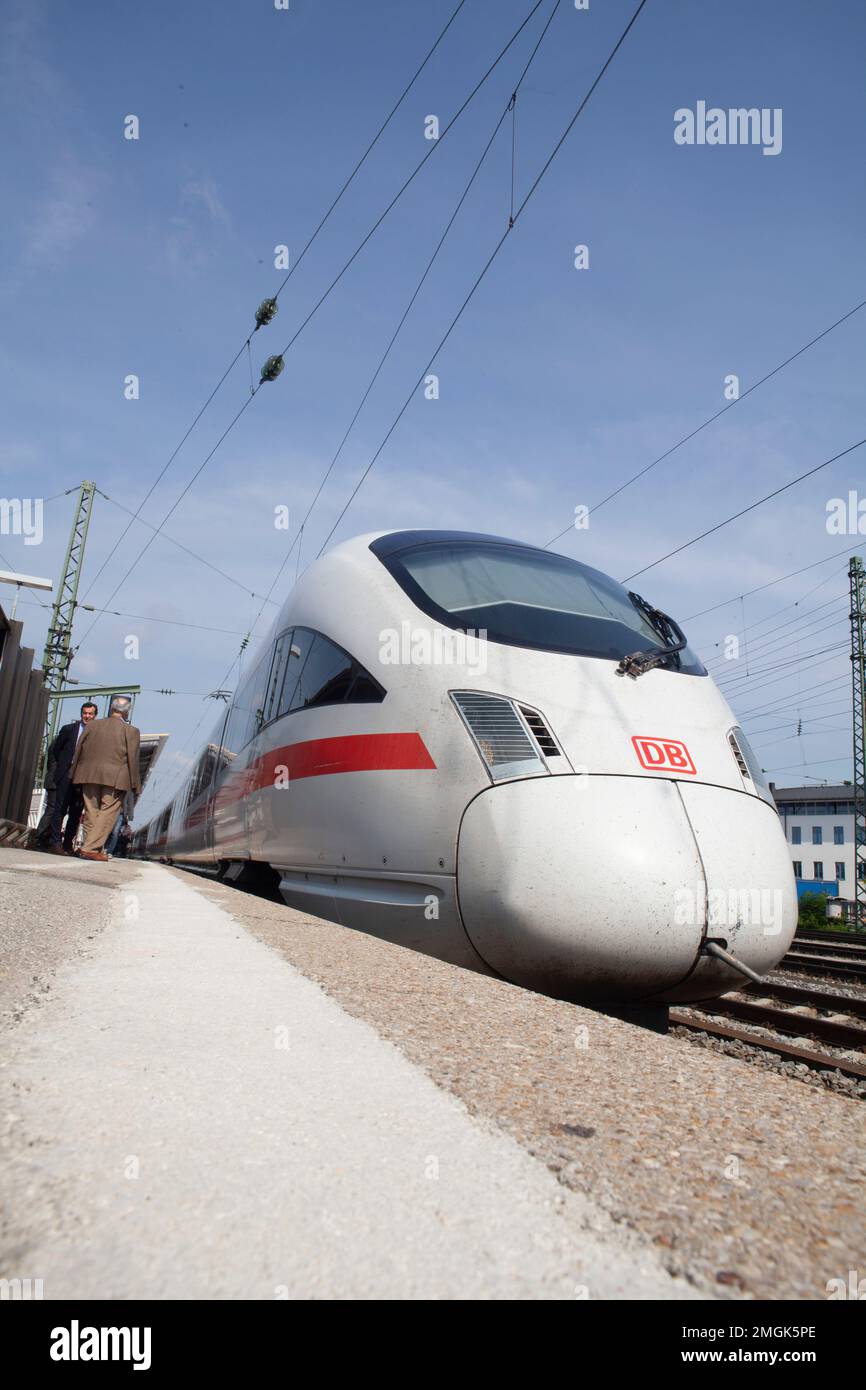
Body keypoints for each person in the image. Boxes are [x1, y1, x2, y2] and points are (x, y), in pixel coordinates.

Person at [70, 696, 141, 862]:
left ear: (111, 709)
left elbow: (79, 748)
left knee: (91, 812)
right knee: (107, 813)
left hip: (88, 775)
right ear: (126, 712)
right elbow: (133, 758)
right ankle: (89, 848)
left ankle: (92, 847)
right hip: (115, 779)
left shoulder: (93, 725)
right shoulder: (131, 731)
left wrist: (73, 772)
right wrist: (135, 784)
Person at [34, 702, 98, 854]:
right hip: (65, 774)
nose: (87, 716)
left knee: (76, 812)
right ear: (81, 713)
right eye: (85, 713)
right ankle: (56, 843)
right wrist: (56, 771)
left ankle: (68, 843)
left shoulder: (97, 732)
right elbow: (55, 750)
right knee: (59, 809)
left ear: (95, 715)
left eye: (90, 714)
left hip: (82, 777)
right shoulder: (68, 730)